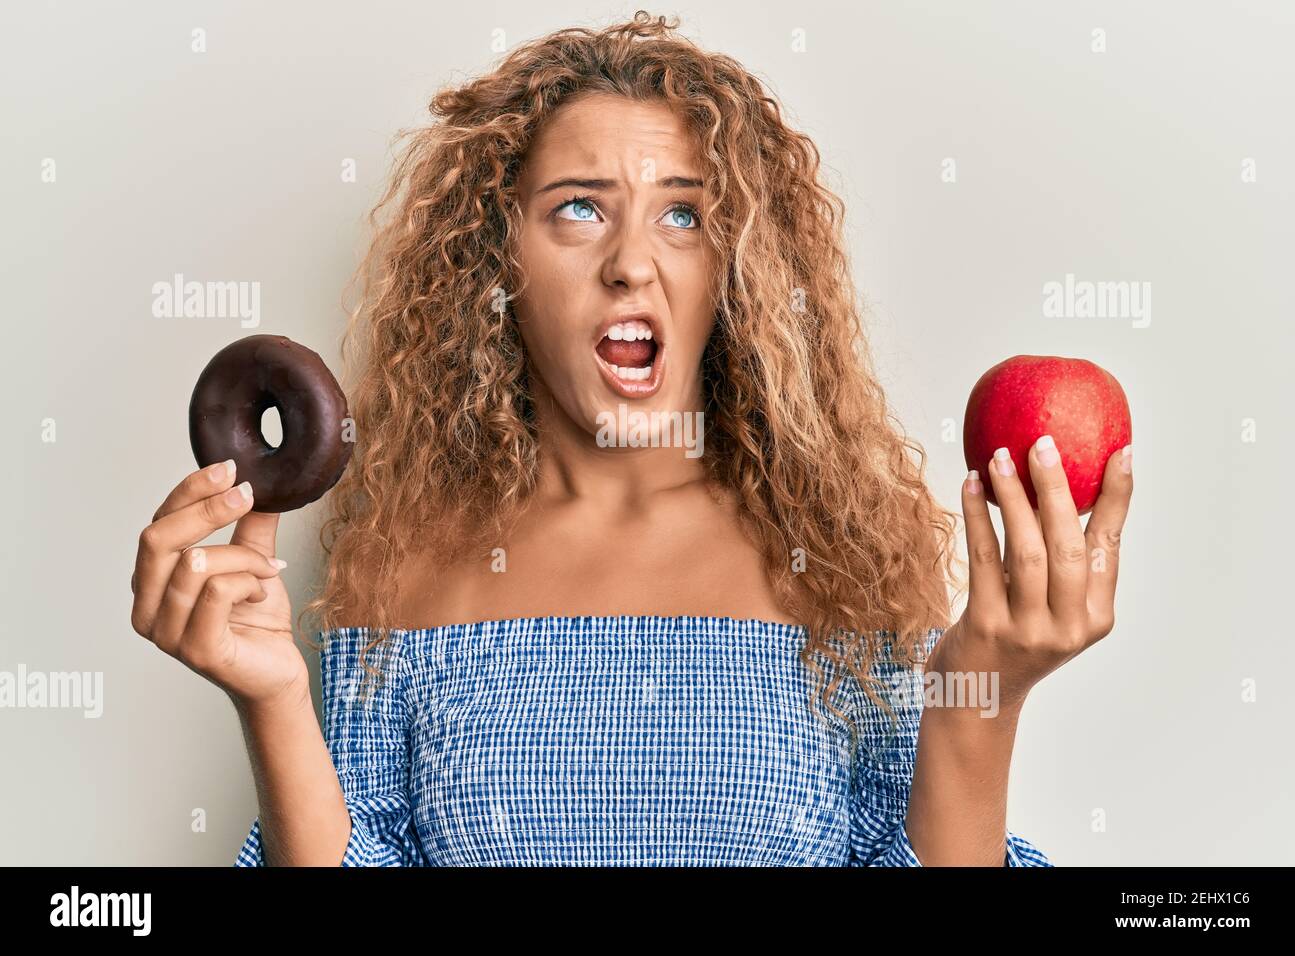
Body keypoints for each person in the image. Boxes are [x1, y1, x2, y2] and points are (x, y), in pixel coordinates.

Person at [129, 11, 1132, 866]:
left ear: (732, 267)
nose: (630, 264)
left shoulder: (842, 562)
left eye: (684, 218)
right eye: (578, 209)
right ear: (498, 259)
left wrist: (984, 697)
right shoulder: (405, 565)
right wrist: (271, 696)